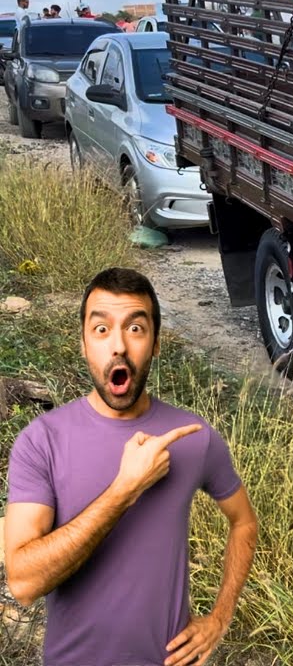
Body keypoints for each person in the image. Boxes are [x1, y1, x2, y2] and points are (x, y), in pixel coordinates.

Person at [4, 267, 259, 666]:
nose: (118, 346)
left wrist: (219, 619)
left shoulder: (193, 436)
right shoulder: (42, 442)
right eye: (101, 329)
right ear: (84, 344)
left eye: (136, 329)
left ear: (156, 343)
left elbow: (244, 522)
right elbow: (22, 582)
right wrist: (125, 489)